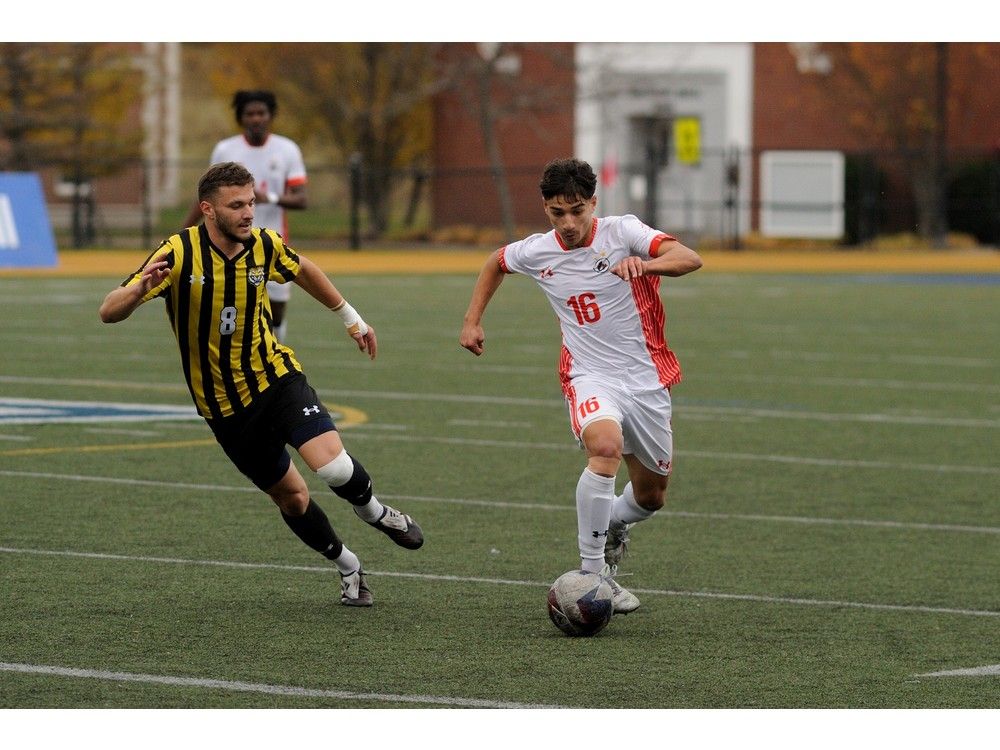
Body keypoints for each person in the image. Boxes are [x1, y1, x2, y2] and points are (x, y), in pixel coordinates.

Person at [104, 162, 423, 607]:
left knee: (332, 468)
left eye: (251, 202)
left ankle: (376, 513)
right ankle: (348, 565)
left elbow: (303, 269)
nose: (249, 213)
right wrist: (139, 291)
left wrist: (351, 318)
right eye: (236, 205)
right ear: (208, 210)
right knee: (292, 499)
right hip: (224, 408)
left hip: (275, 379)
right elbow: (109, 310)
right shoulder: (178, 252)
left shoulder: (263, 244)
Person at [460, 157, 702, 614]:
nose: (568, 223)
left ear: (593, 202)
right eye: (557, 213)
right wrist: (472, 321)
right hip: (588, 375)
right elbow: (496, 263)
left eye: (577, 211)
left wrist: (646, 265)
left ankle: (614, 524)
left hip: (647, 378)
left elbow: (689, 257)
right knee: (605, 447)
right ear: (546, 209)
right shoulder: (538, 251)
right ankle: (594, 575)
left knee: (651, 496)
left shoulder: (623, 231)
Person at [184, 90, 306, 343]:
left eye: (261, 113)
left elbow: (301, 199)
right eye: (250, 113)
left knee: (276, 313)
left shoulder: (287, 149)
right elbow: (207, 196)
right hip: (230, 245)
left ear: (270, 116)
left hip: (273, 244)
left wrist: (269, 197)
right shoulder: (225, 149)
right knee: (234, 308)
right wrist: (184, 230)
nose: (256, 118)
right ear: (241, 117)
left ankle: (274, 351)